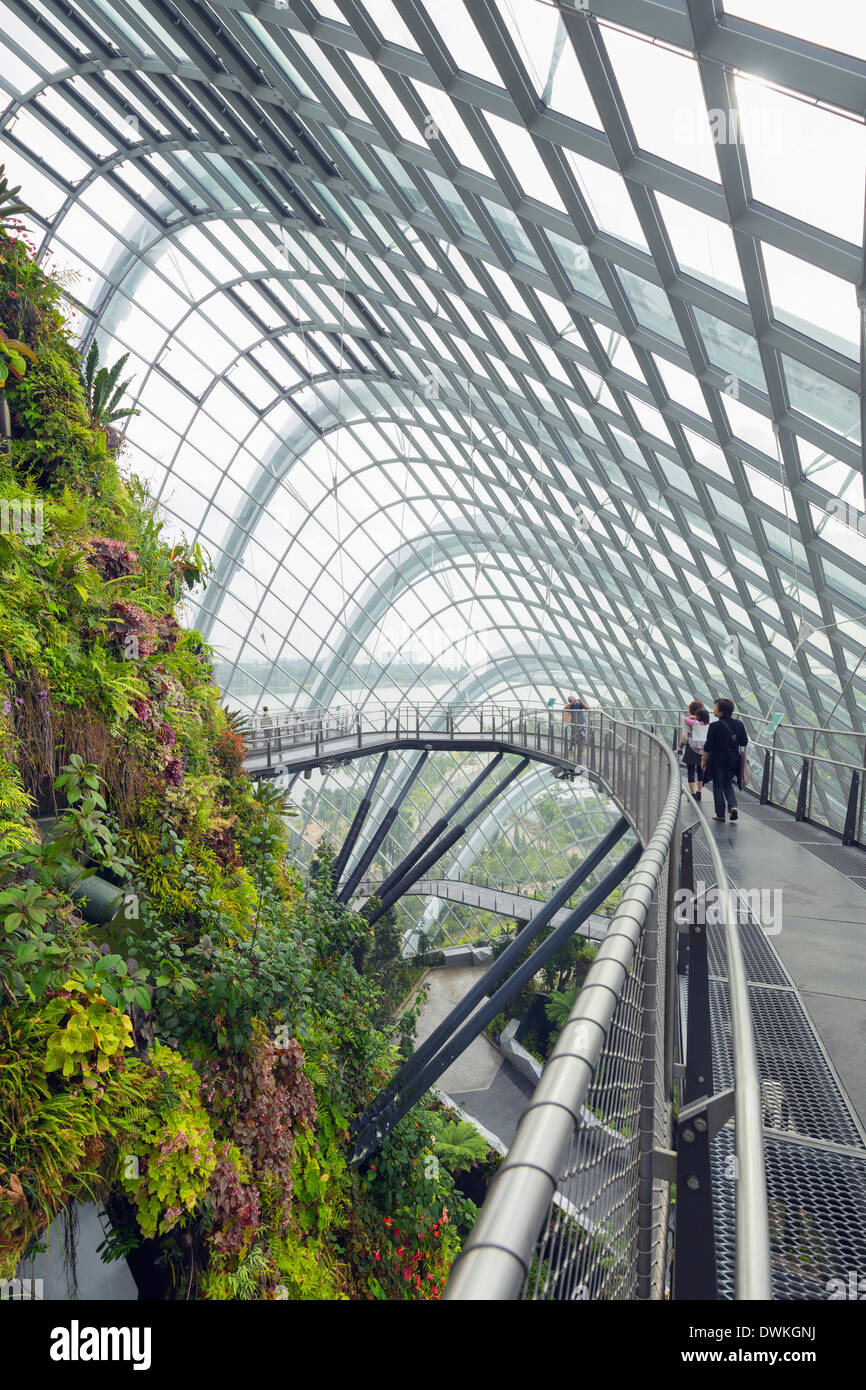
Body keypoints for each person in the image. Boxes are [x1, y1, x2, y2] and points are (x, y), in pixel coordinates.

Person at [701, 697, 748, 823]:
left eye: (715, 707)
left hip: (718, 758)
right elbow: (744, 742)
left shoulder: (714, 726)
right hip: (733, 758)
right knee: (727, 783)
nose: (714, 709)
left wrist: (703, 760)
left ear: (721, 711)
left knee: (718, 786)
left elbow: (708, 745)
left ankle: (720, 814)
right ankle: (733, 806)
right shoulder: (739, 724)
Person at [681, 706, 710, 800]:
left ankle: (693, 794)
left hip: (693, 747)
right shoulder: (708, 724)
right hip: (703, 748)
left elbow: (685, 719)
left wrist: (692, 717)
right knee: (700, 770)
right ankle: (699, 792)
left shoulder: (695, 722)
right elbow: (709, 721)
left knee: (690, 771)